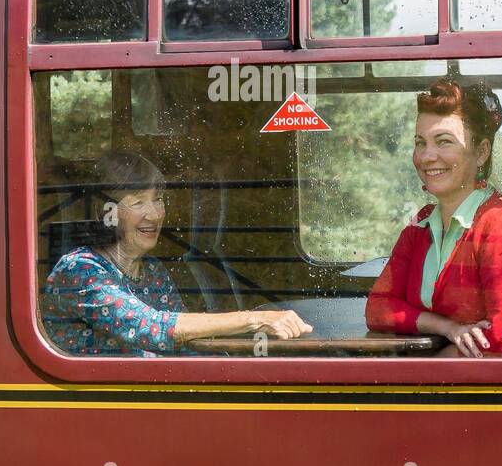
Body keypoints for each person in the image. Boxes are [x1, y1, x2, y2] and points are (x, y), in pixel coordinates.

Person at [43, 151, 311, 357]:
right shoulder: (79, 269)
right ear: (107, 212)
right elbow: (152, 327)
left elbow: (185, 344)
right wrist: (254, 319)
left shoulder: (152, 270)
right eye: (138, 202)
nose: (155, 214)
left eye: (158, 199)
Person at [365, 79, 502, 358]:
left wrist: (426, 375)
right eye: (420, 142)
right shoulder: (420, 224)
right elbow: (378, 308)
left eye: (444, 141)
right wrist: (449, 328)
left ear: (481, 152)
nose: (427, 156)